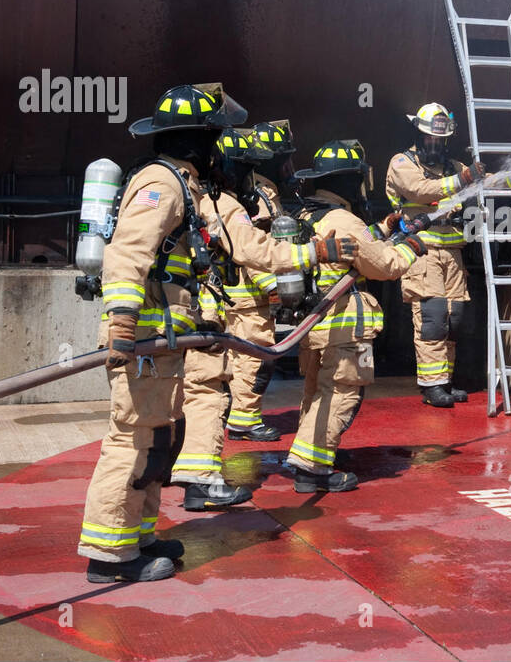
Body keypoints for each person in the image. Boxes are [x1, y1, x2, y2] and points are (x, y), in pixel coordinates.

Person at [78, 88, 354, 582]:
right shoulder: (160, 183)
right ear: (197, 141)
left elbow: (251, 248)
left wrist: (318, 251)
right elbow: (128, 251)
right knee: (132, 441)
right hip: (140, 341)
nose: (220, 150)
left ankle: (137, 537)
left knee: (157, 441)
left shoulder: (191, 189)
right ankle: (109, 555)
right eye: (215, 139)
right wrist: (121, 322)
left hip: (162, 342)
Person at [169, 127, 355, 511]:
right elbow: (252, 250)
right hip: (208, 311)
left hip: (198, 309)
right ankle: (199, 482)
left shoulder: (198, 198)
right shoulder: (227, 205)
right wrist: (313, 253)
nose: (252, 178)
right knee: (208, 393)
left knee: (202, 391)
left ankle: (189, 477)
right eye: (247, 170)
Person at [283, 139, 427, 492]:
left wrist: (387, 228)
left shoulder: (311, 215)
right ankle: (312, 468)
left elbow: (362, 243)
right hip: (346, 327)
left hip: (316, 327)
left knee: (318, 392)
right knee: (343, 393)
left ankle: (313, 451)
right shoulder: (344, 219)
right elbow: (384, 265)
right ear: (351, 181)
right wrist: (411, 248)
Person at [384, 103, 484, 408]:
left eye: (439, 140)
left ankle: (445, 380)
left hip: (453, 252)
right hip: (421, 251)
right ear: (419, 134)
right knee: (432, 318)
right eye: (429, 138)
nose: (434, 144)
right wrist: (465, 179)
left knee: (454, 319)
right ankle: (431, 385)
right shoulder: (402, 163)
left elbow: (480, 182)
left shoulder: (454, 167)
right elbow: (421, 190)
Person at [222, 121, 296, 442]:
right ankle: (244, 420)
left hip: (241, 292)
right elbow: (252, 247)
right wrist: (274, 288)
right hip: (249, 291)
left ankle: (237, 415)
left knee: (242, 356)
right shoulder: (252, 197)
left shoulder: (255, 193)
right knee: (257, 356)